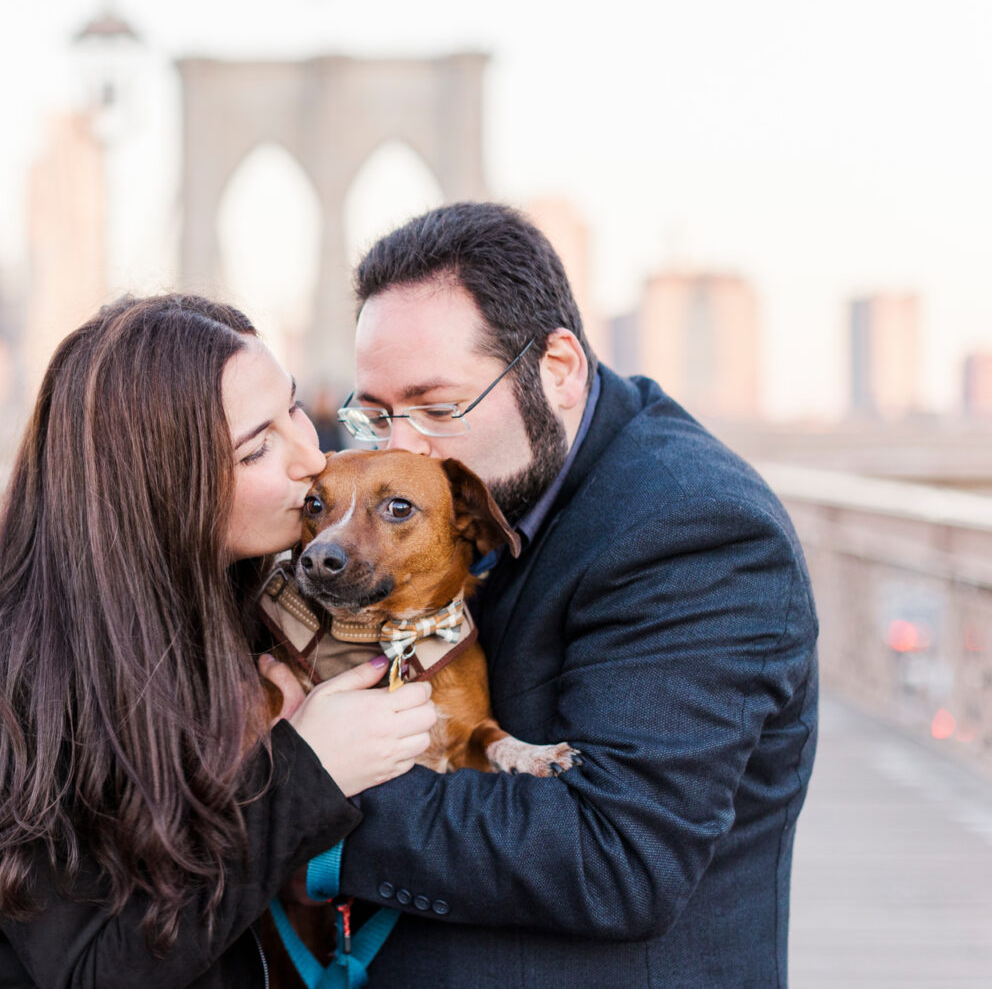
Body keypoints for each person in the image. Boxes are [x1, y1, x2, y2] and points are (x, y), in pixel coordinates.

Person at [0, 294, 438, 989]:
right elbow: (103, 973)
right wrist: (305, 772)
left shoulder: (229, 596)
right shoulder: (28, 680)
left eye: (296, 408)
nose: (313, 457)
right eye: (257, 448)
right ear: (163, 486)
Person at [317, 202, 819, 988]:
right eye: (377, 416)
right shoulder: (486, 489)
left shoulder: (694, 528)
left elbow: (616, 855)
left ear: (557, 370)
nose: (402, 448)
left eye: (437, 408)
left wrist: (299, 797)